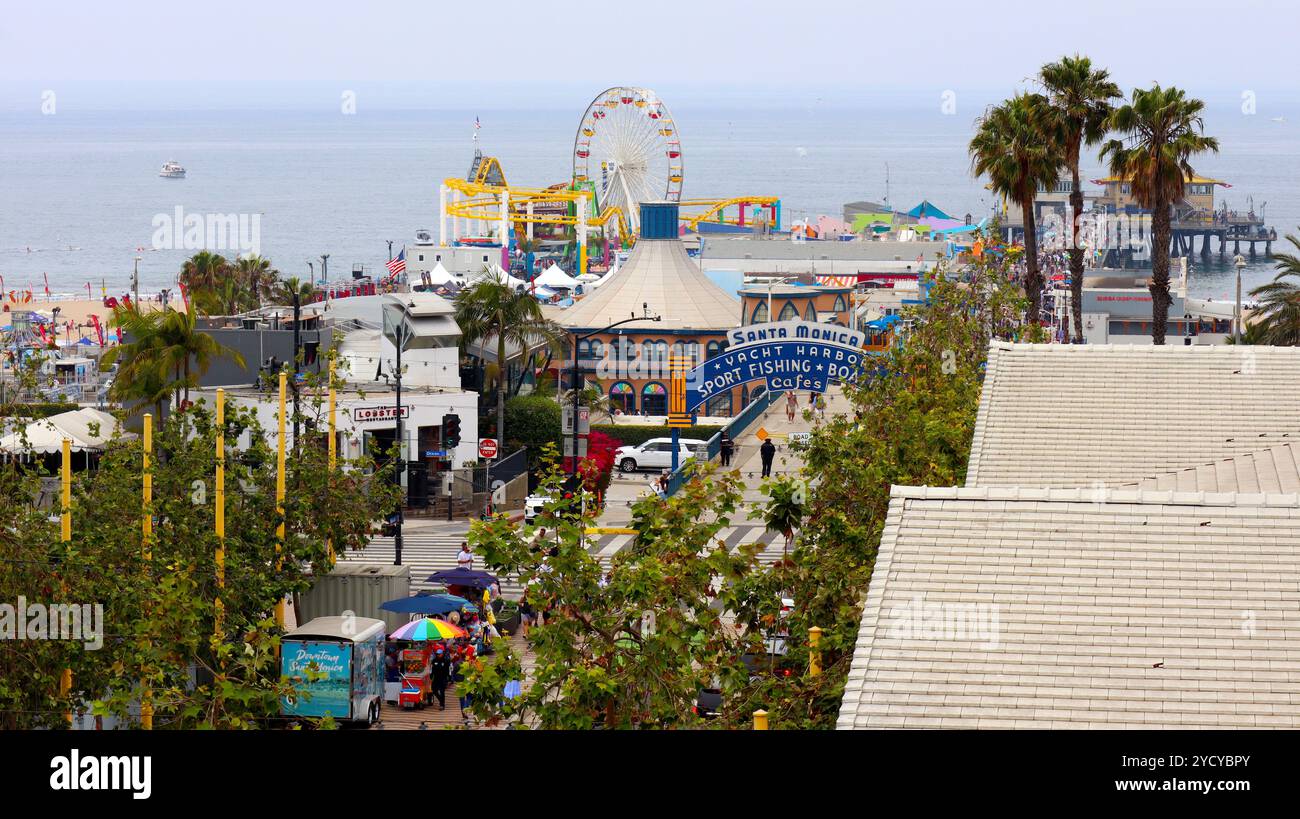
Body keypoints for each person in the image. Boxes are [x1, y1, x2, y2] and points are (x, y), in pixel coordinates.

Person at [429, 646, 450, 710]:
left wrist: (448, 678)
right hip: (436, 678)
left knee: (442, 691)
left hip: (443, 678)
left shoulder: (446, 661)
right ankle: (441, 700)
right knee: (434, 690)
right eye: (437, 654)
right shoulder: (434, 661)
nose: (438, 655)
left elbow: (447, 670)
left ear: (442, 654)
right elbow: (432, 669)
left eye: (439, 654)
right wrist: (431, 676)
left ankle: (442, 705)